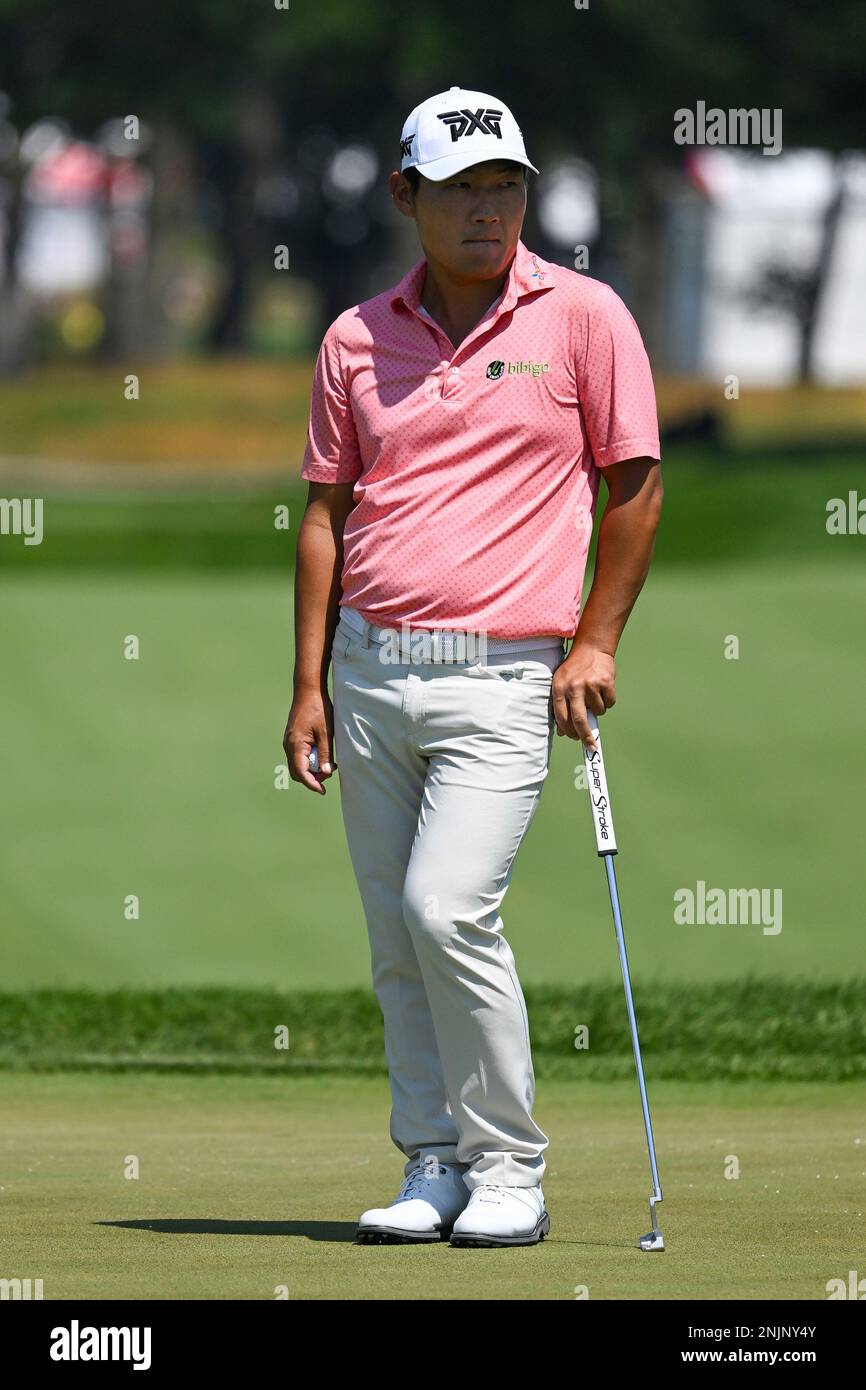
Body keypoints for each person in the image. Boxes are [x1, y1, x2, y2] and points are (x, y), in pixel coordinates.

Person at [283, 86, 663, 1248]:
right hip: (367, 672)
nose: (486, 210)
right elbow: (324, 514)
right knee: (397, 942)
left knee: (445, 909)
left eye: (505, 187)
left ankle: (508, 1168)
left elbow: (634, 488)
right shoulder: (355, 338)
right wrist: (306, 683)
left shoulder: (584, 317)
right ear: (406, 196)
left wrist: (594, 640)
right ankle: (433, 1159)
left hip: (501, 677)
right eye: (459, 190)